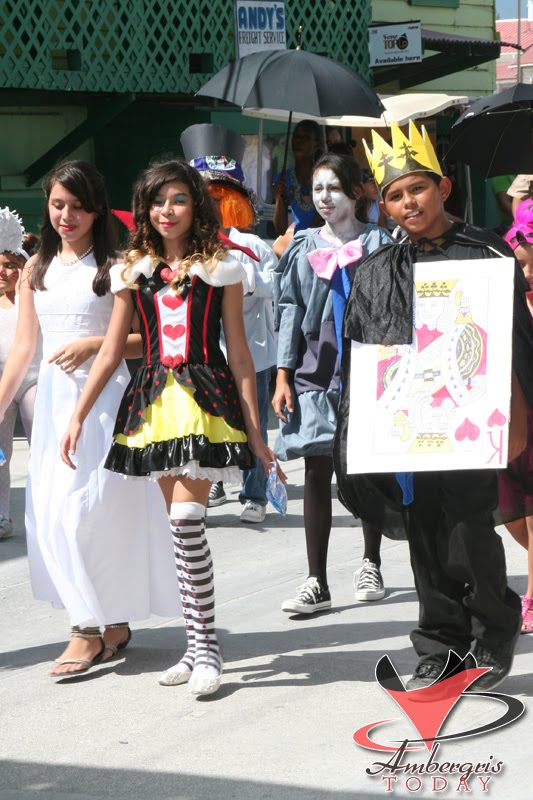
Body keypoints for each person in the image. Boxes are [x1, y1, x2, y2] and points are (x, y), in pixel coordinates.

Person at [60, 159, 280, 697]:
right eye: (158, 202)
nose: (167, 210)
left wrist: (256, 432)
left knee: (186, 522)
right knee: (180, 535)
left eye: (179, 199)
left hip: (207, 401)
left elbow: (242, 356)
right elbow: (113, 350)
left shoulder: (223, 267)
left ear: (196, 207)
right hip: (153, 406)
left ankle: (206, 649)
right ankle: (196, 644)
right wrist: (79, 413)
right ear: (144, 210)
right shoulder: (132, 270)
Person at [336, 121, 533, 690]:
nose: (407, 203)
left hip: (475, 422)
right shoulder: (378, 273)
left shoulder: (486, 253)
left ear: (443, 188)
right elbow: (370, 358)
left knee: (469, 531)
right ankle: (440, 643)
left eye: (416, 189)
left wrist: (518, 414)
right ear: (385, 205)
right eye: (395, 196)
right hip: (411, 426)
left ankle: (495, 626)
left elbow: (515, 345)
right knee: (424, 531)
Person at [0, 161, 178, 677]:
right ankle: (95, 623)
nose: (67, 215)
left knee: (93, 515)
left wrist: (95, 344)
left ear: (97, 209)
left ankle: (95, 625)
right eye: (58, 205)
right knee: (56, 514)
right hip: (54, 405)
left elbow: (150, 340)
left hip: (107, 405)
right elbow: (24, 349)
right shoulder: (35, 268)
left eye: (78, 206)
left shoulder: (119, 266)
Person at [273, 153, 392, 614]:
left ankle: (371, 561)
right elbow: (289, 311)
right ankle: (316, 580)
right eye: (317, 189)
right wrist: (283, 374)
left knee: (364, 467)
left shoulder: (380, 241)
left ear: (356, 193)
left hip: (368, 364)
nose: (324, 198)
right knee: (317, 468)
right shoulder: (302, 247)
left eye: (334, 189)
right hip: (315, 366)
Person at [181, 124, 278, 523]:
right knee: (208, 419)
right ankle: (212, 481)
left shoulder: (254, 246)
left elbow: (267, 288)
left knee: (252, 416)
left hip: (251, 350)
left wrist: (235, 272)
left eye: (222, 195)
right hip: (201, 353)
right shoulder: (185, 245)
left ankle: (254, 493)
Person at [501, 217, 533, 633]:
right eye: (520, 265)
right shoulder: (511, 298)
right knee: (511, 515)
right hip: (510, 418)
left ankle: (531, 596)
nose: (526, 273)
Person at [0, 209, 39, 539]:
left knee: (39, 442)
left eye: (11, 266)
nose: (3, 272)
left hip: (32, 380)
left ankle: (41, 510)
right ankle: (2, 516)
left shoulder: (35, 300)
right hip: (0, 388)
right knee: (0, 455)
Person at [273, 120, 324, 236]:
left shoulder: (326, 178)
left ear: (316, 143)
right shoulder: (284, 179)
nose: (298, 141)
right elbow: (280, 229)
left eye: (305, 137)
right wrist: (279, 198)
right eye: (296, 137)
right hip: (299, 245)